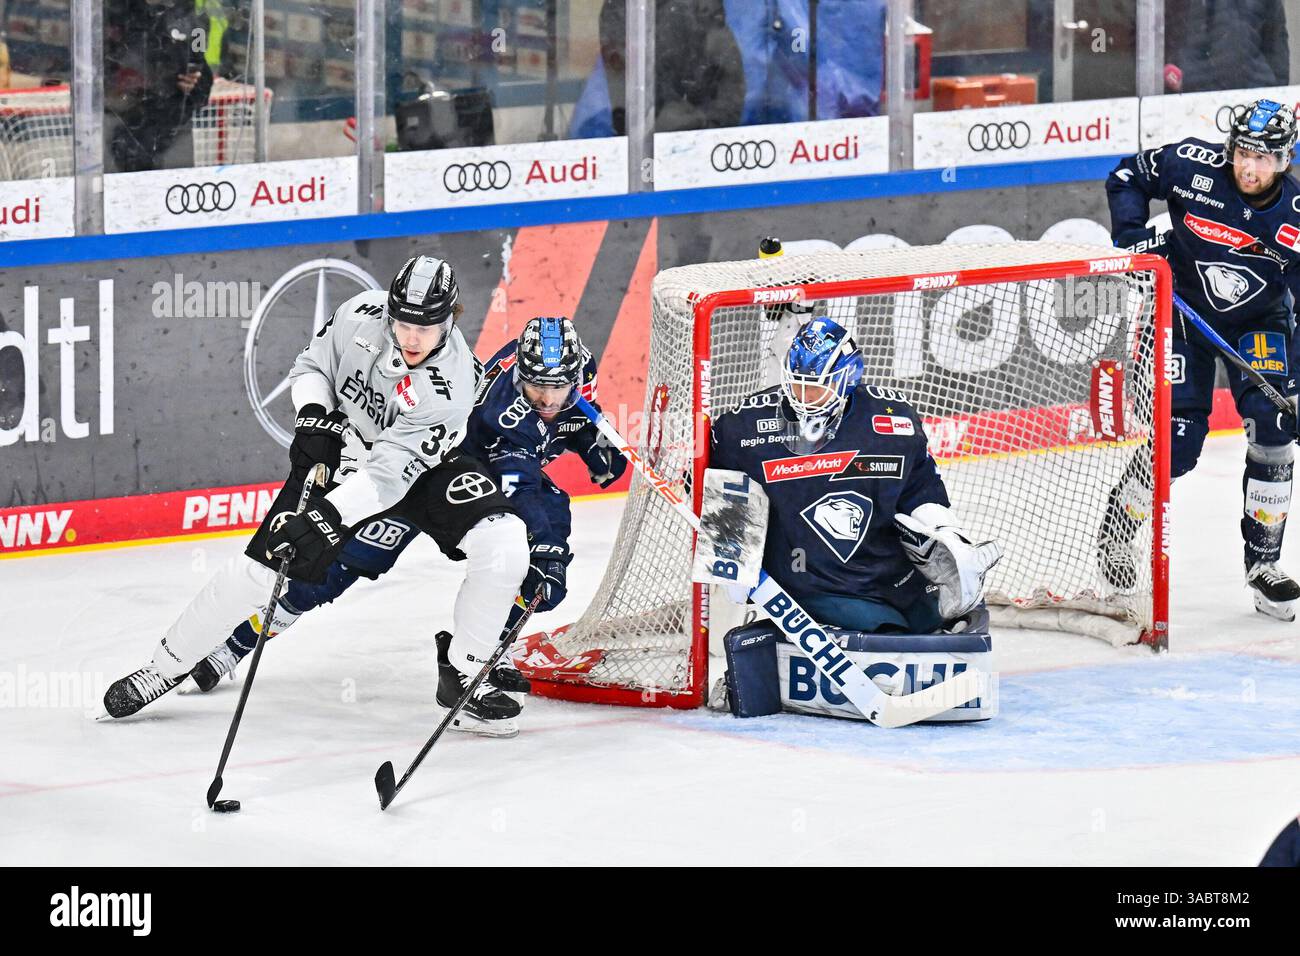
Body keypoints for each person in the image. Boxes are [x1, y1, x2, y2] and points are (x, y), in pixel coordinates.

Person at [101, 256, 532, 736]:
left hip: (425, 471)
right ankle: (165, 666)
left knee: (504, 542)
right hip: (347, 452)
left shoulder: (451, 386)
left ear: (451, 320)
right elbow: (311, 367)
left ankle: (465, 674)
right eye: (404, 323)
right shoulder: (360, 316)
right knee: (256, 573)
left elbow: (389, 478)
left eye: (426, 328)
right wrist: (314, 417)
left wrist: (326, 515)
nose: (412, 338)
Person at [179, 317, 626, 710]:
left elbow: (572, 419)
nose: (548, 399)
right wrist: (544, 541)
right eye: (537, 389)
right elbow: (521, 483)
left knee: (541, 576)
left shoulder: (569, 372)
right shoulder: (503, 417)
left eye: (559, 387)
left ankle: (482, 651)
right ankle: (233, 646)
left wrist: (599, 446)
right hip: (434, 478)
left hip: (487, 486)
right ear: (520, 378)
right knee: (332, 570)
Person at [1104, 98, 1300, 620]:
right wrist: (1130, 238)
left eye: (1263, 157)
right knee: (1180, 441)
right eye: (1243, 152)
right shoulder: (1191, 164)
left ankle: (1263, 566)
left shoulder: (1296, 218)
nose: (1249, 166)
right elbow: (1127, 175)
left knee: (1275, 425)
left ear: (1284, 160)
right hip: (1183, 312)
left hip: (1259, 322)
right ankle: (1119, 530)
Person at [710, 316, 997, 633]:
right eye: (797, 385)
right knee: (892, 638)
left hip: (892, 575)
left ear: (847, 378)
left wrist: (949, 535)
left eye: (816, 389)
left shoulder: (893, 420)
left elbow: (921, 488)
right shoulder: (743, 429)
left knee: (956, 620)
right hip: (818, 585)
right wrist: (734, 565)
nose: (804, 398)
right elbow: (720, 492)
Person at [105, 0, 215, 171]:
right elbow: (100, 69)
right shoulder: (116, 14)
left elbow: (198, 69)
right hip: (121, 125)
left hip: (172, 129)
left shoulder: (190, 17)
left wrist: (195, 83)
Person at [1163, 0, 1289, 94]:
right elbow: (1190, 44)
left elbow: (1276, 44)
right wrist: (1189, 82)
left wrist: (1278, 90)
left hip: (1258, 91)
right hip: (1206, 95)